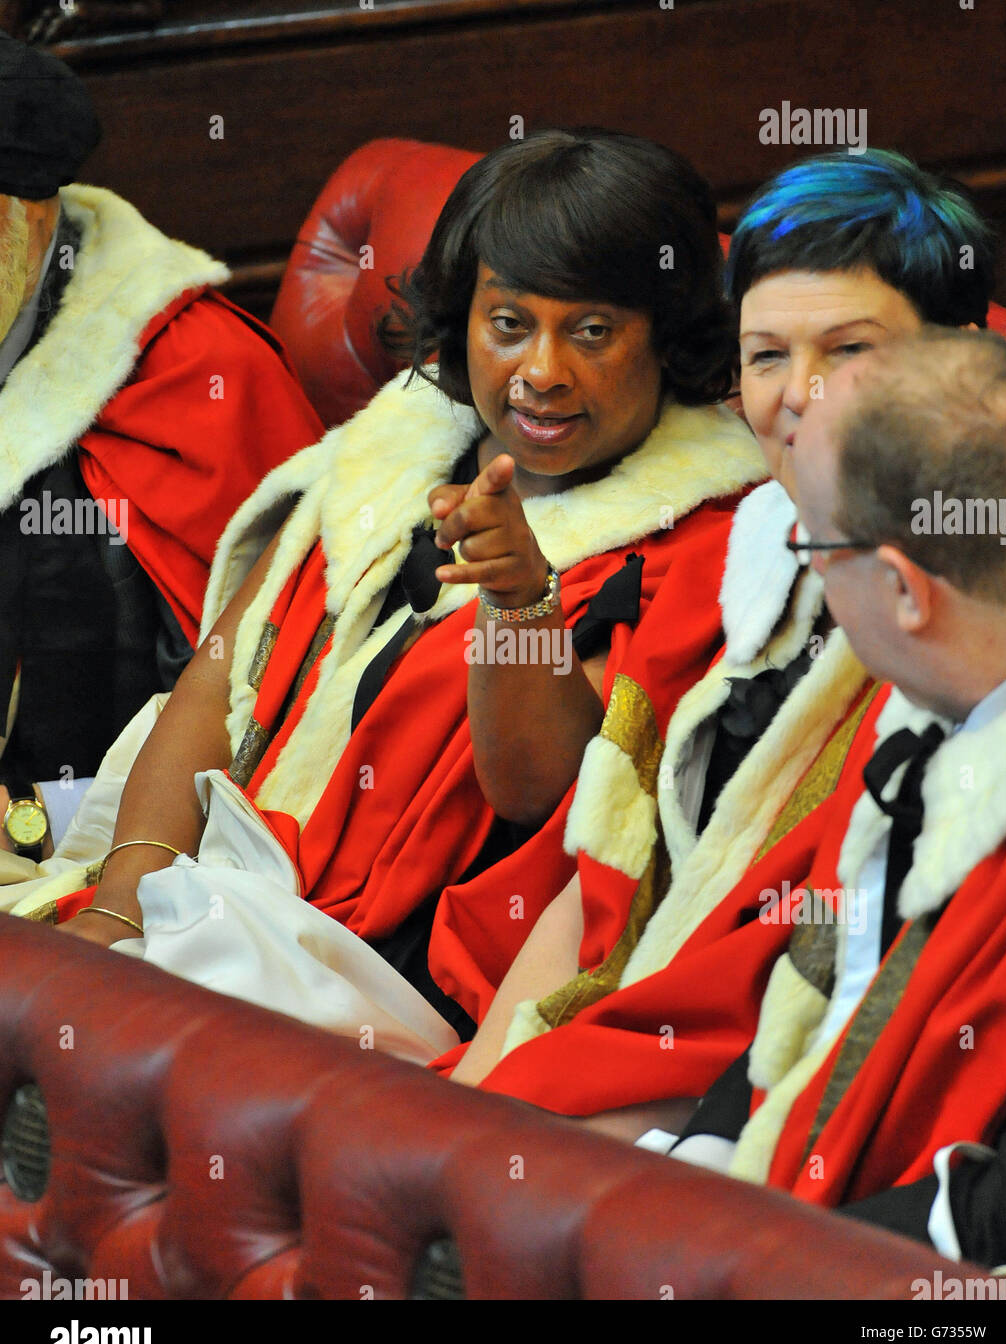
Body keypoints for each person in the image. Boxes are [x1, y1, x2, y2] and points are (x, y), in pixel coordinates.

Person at [24, 129, 765, 1056]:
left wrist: (518, 600)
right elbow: (216, 682)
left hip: (389, 981)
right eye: (510, 324)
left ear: (669, 338)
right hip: (204, 895)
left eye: (592, 332)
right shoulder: (390, 449)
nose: (543, 371)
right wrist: (122, 909)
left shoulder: (704, 541)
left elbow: (538, 793)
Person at [446, 148, 999, 1110]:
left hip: (796, 1073)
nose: (800, 395)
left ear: (966, 361)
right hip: (624, 1029)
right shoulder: (737, 556)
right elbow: (600, 867)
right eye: (768, 355)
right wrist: (478, 1095)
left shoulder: (985, 620)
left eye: (849, 352)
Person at [659, 329, 1006, 1265]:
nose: (809, 569)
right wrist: (693, 1169)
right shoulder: (924, 716)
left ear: (905, 591)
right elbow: (816, 982)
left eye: (816, 545)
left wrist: (733, 1258)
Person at [0, 32, 322, 866]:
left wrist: (34, 818)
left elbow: (261, 734)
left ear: (28, 218)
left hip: (98, 858)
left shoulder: (201, 377)